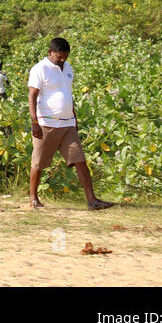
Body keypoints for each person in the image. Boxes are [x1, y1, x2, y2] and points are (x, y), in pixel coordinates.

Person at [28, 37, 114, 211]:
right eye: (59, 56)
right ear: (50, 53)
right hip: (46, 124)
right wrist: (34, 122)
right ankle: (33, 199)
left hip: (68, 124)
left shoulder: (68, 68)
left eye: (65, 57)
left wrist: (74, 118)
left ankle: (92, 200)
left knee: (80, 160)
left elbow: (67, 94)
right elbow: (32, 96)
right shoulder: (40, 68)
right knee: (38, 163)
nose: (62, 60)